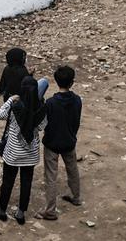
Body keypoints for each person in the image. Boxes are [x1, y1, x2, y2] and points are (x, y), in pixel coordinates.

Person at [0, 76, 46, 224]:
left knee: (8, 181)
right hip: (31, 153)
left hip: (13, 152)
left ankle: (2, 210)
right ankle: (21, 213)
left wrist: (10, 100)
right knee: (26, 182)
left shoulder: (15, 105)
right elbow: (42, 127)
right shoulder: (41, 107)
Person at [38, 66, 82, 221]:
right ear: (72, 82)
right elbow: (76, 121)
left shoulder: (50, 103)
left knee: (50, 176)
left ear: (56, 81)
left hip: (52, 142)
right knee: (72, 169)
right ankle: (76, 196)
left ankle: (50, 210)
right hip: (69, 141)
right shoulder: (77, 100)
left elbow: (43, 123)